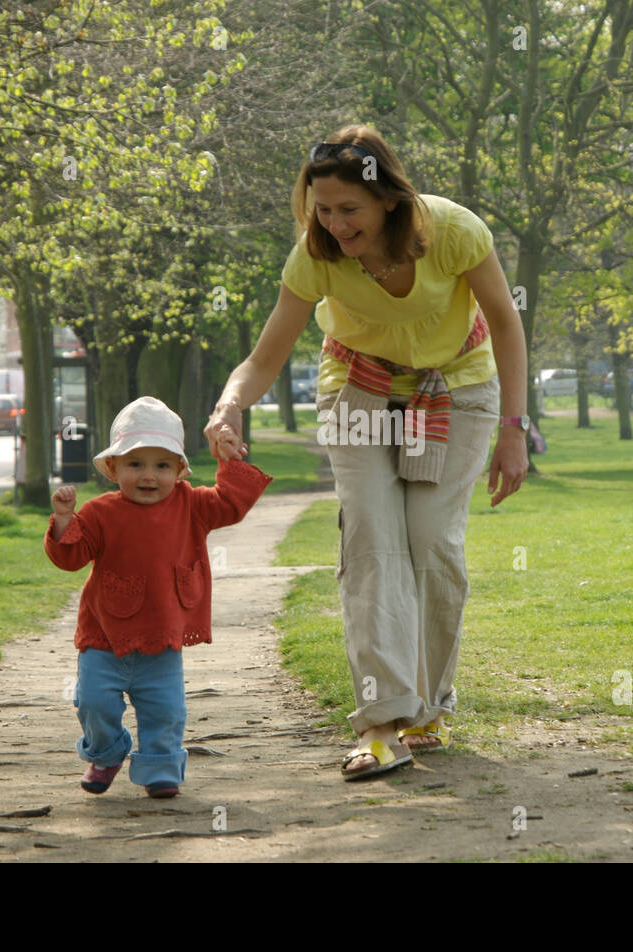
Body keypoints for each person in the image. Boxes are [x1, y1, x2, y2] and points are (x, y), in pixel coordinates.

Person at [203, 125, 529, 780]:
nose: (334, 222)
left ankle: (429, 705)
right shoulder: (316, 255)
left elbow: (504, 322)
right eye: (321, 208)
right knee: (373, 543)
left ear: (387, 200)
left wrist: (515, 429)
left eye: (347, 208)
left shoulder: (452, 231)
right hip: (359, 390)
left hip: (456, 387)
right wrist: (228, 405)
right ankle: (383, 726)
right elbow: (266, 354)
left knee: (431, 542)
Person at [44, 396, 272, 797]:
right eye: (136, 464)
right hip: (104, 639)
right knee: (93, 704)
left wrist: (229, 458)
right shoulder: (99, 513)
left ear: (180, 470)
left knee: (165, 711)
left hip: (162, 637)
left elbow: (232, 502)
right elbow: (71, 557)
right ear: (113, 468)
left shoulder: (192, 505)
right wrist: (64, 521)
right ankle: (107, 752)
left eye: (162, 466)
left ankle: (160, 767)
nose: (149, 476)